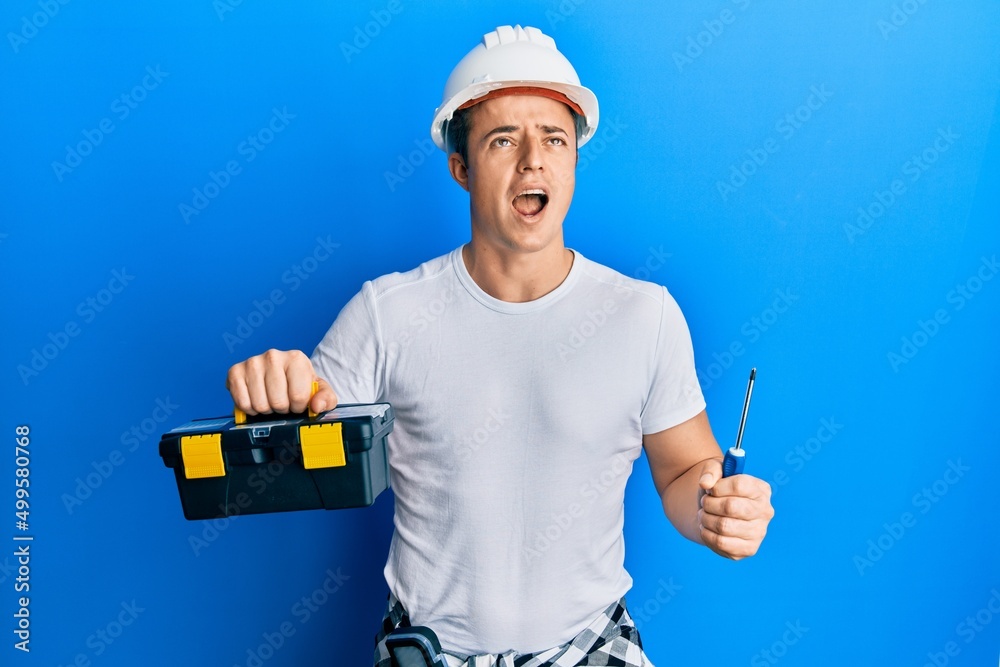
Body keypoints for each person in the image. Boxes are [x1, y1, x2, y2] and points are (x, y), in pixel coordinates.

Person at [225, 24, 774, 667]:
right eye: (504, 139)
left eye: (554, 139)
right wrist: (275, 392)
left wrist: (714, 509)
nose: (532, 160)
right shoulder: (386, 314)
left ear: (573, 159)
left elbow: (684, 470)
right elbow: (299, 435)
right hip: (430, 651)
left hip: (592, 647)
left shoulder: (644, 316)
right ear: (460, 168)